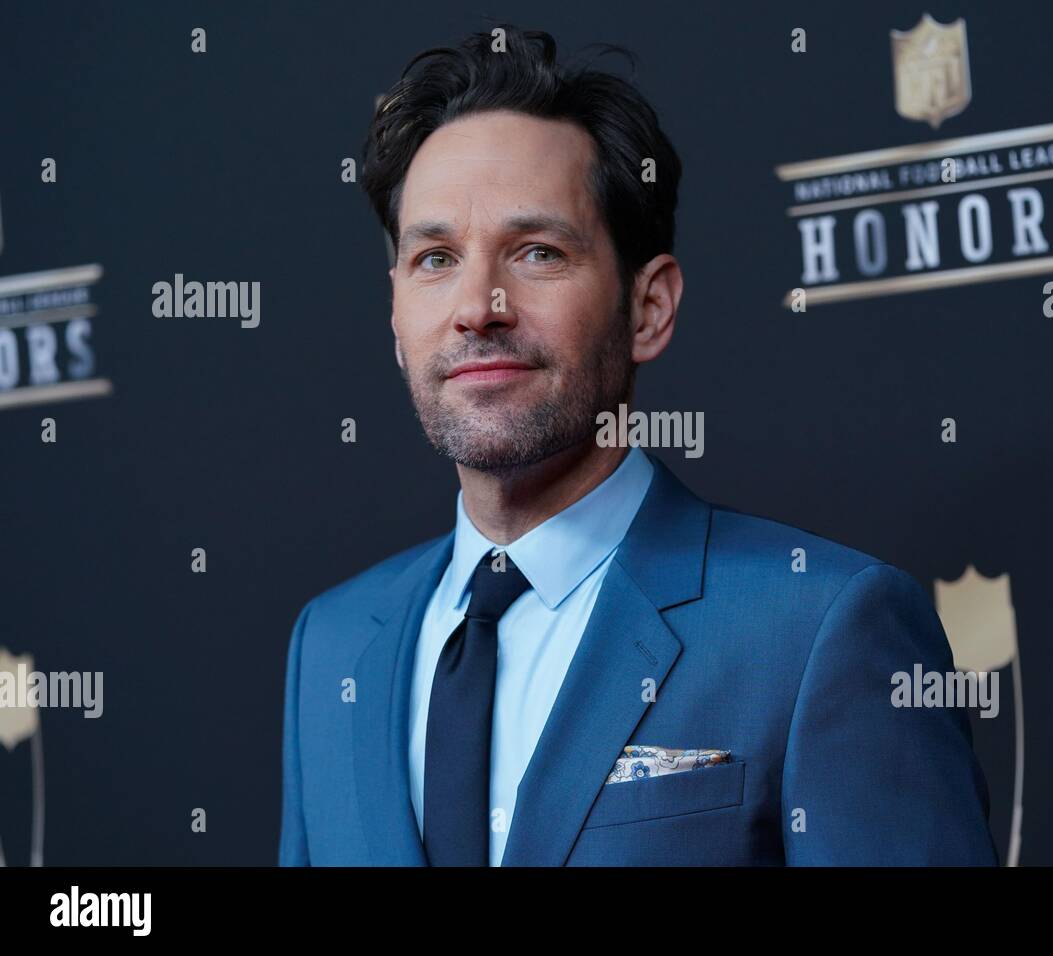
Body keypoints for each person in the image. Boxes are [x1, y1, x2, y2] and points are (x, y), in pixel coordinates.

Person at [278, 24, 998, 866]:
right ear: (397, 317)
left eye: (537, 251)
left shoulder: (820, 630)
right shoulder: (329, 646)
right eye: (435, 258)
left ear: (648, 307)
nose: (479, 305)